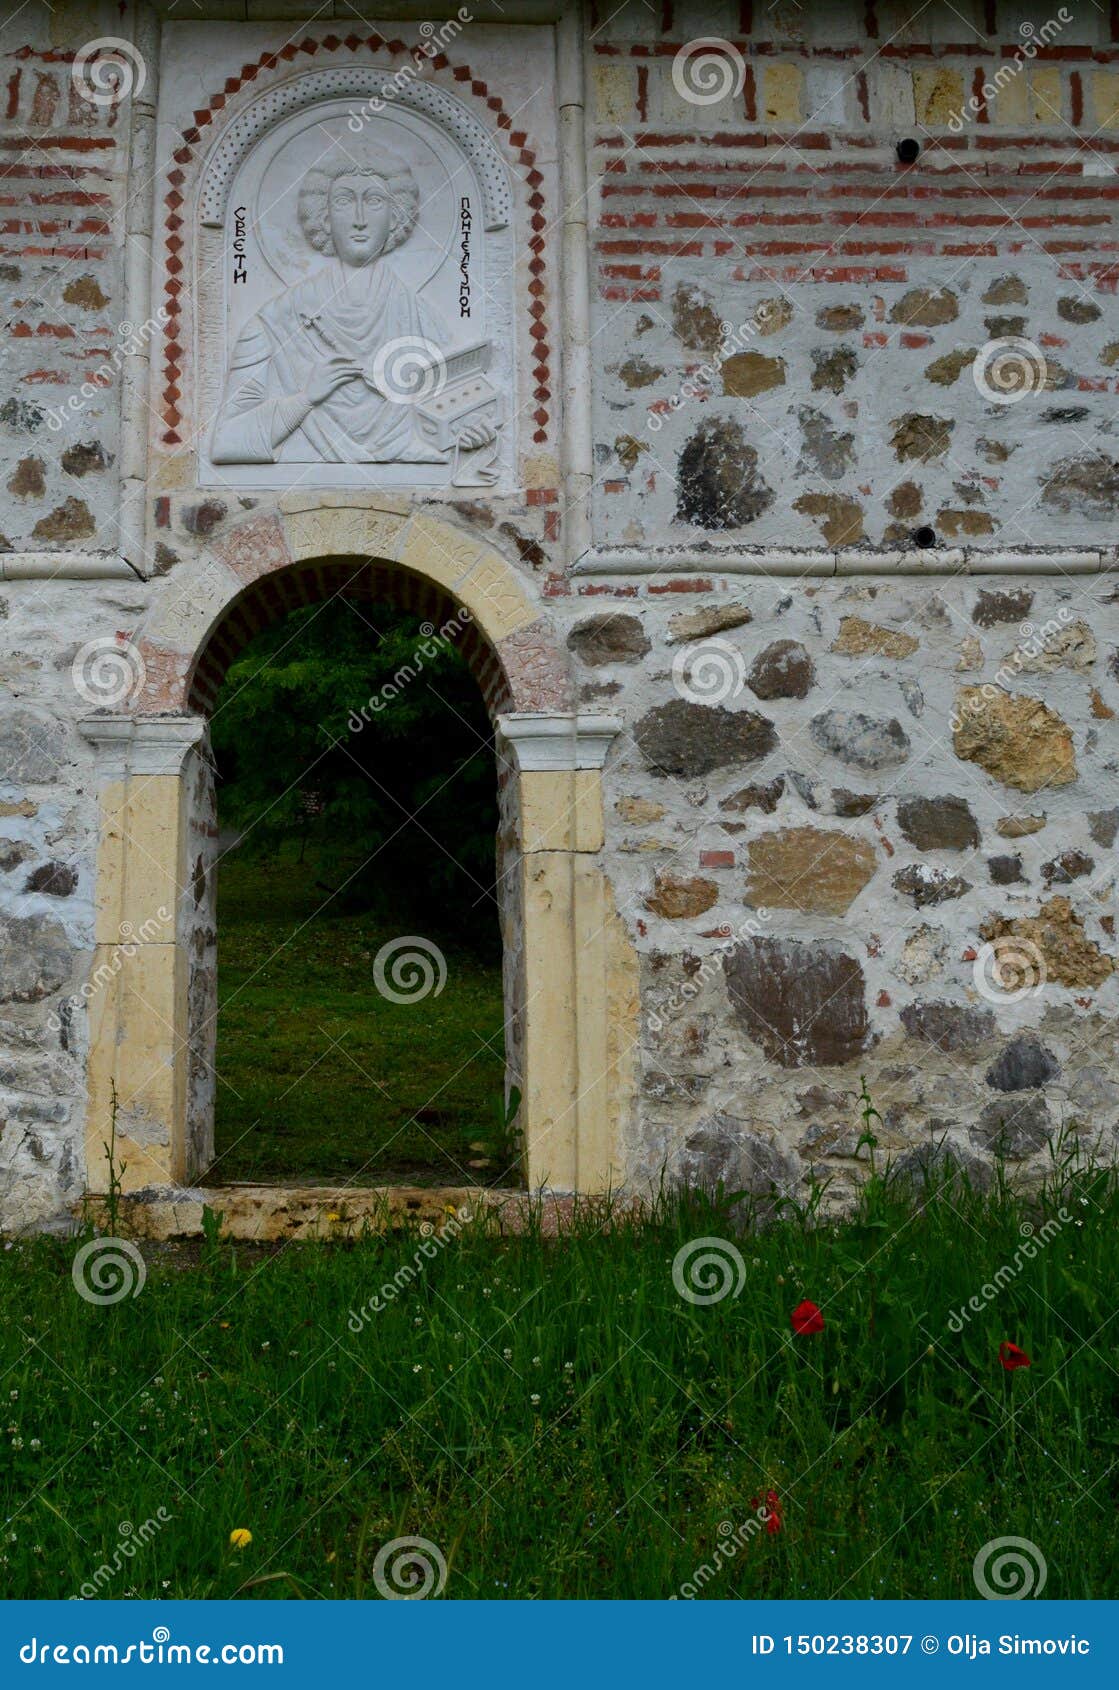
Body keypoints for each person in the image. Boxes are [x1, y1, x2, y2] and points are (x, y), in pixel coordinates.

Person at [210, 145, 493, 466]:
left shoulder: (423, 320)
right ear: (325, 217)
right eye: (344, 202)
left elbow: (455, 413)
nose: (359, 220)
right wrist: (305, 399)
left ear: (395, 216)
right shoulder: (274, 323)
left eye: (374, 202)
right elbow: (227, 442)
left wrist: (469, 432)